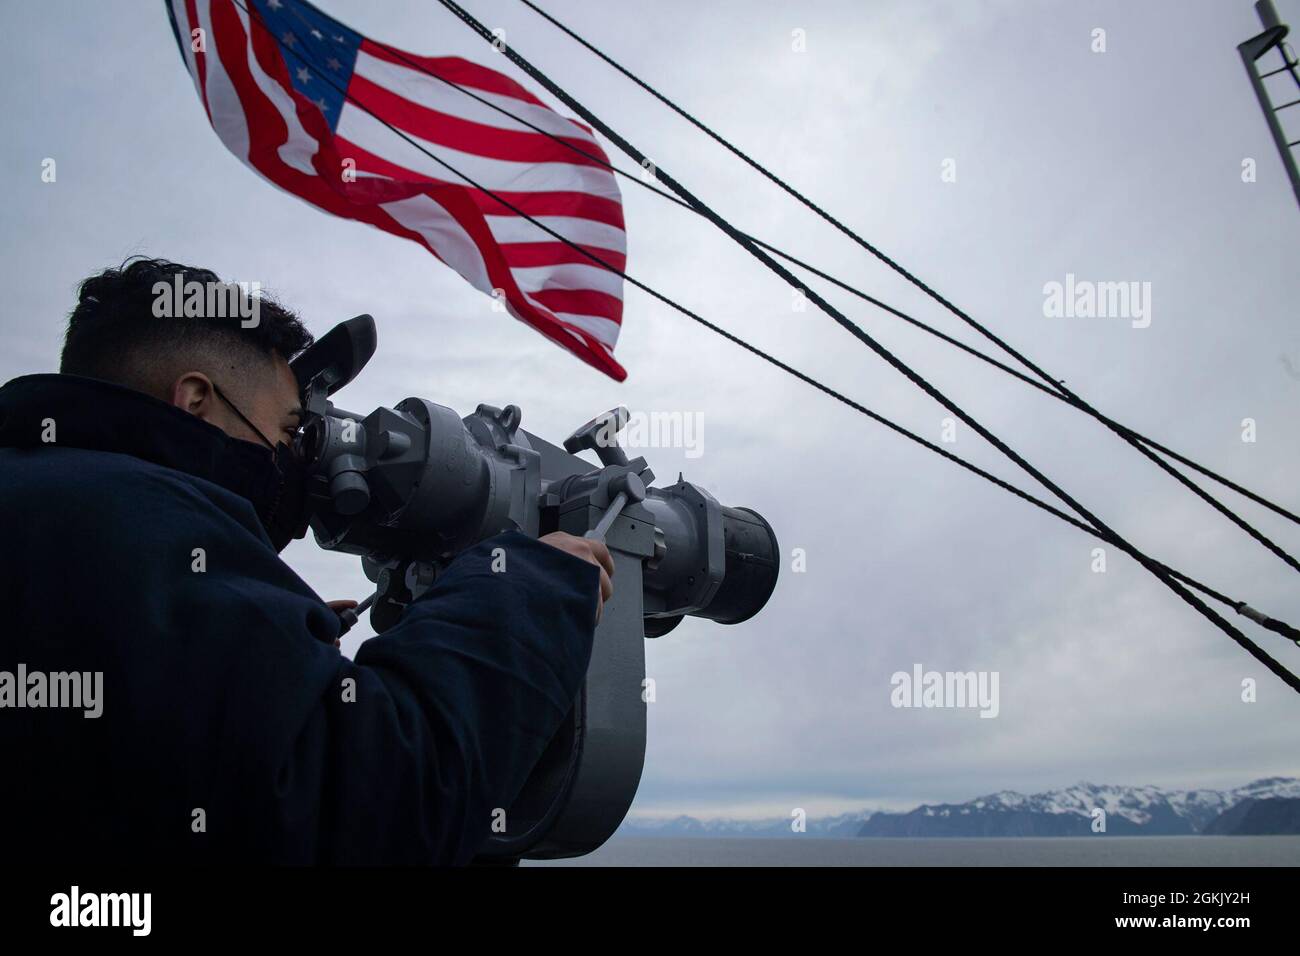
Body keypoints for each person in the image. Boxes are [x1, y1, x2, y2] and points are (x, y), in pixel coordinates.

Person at [0, 257, 614, 864]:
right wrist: (529, 590)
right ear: (194, 401)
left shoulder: (57, 508)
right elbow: (374, 808)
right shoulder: (142, 522)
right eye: (290, 431)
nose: (298, 458)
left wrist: (274, 644)